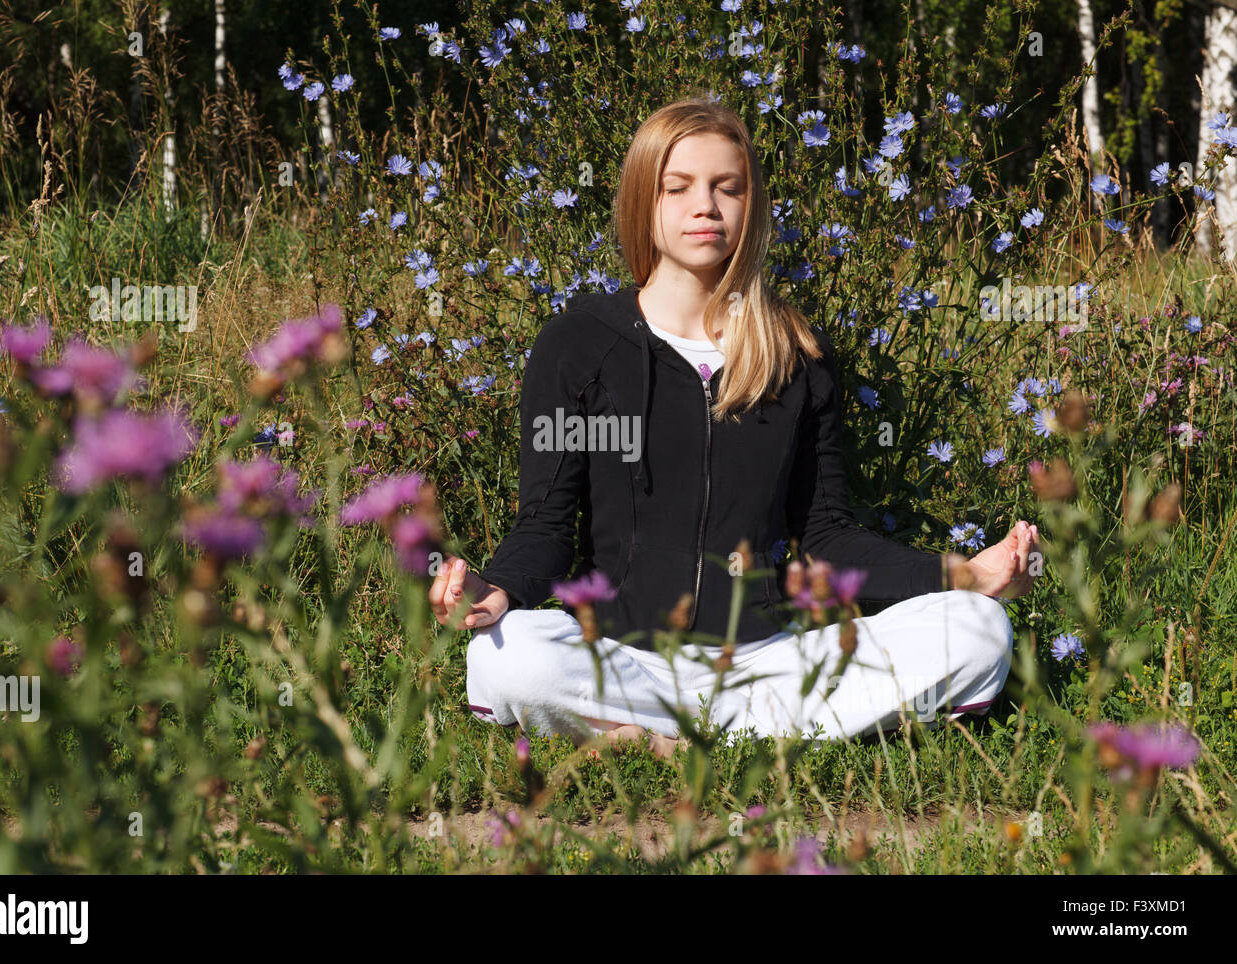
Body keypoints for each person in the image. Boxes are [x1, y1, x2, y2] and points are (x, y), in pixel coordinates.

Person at [430, 95, 1038, 759]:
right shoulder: (577, 347)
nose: (705, 207)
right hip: (622, 660)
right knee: (505, 653)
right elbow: (545, 527)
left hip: (770, 661)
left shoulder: (794, 352)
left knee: (977, 628)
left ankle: (683, 739)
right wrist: (497, 590)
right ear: (643, 200)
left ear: (752, 206)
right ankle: (705, 738)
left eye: (728, 187)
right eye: (679, 187)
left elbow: (828, 536)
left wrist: (960, 575)